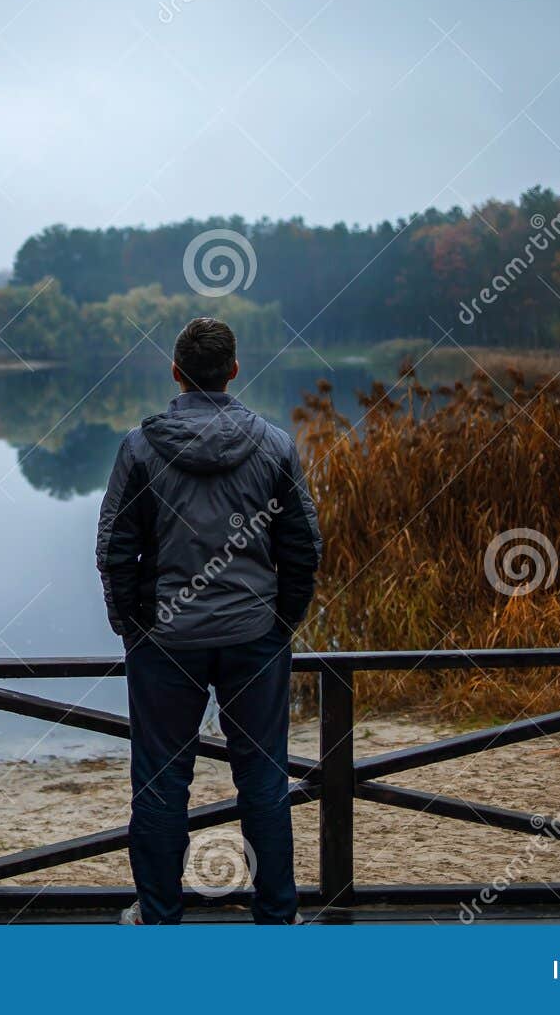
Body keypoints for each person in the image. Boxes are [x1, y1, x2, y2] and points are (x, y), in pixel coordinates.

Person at [95, 316, 322, 925]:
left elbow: (115, 548)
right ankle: (277, 917)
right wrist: (280, 623)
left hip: (167, 640)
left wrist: (134, 629)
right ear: (234, 371)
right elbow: (303, 547)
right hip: (253, 636)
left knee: (161, 782)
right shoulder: (274, 445)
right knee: (265, 779)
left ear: (175, 372)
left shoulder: (140, 448)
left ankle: (159, 918)